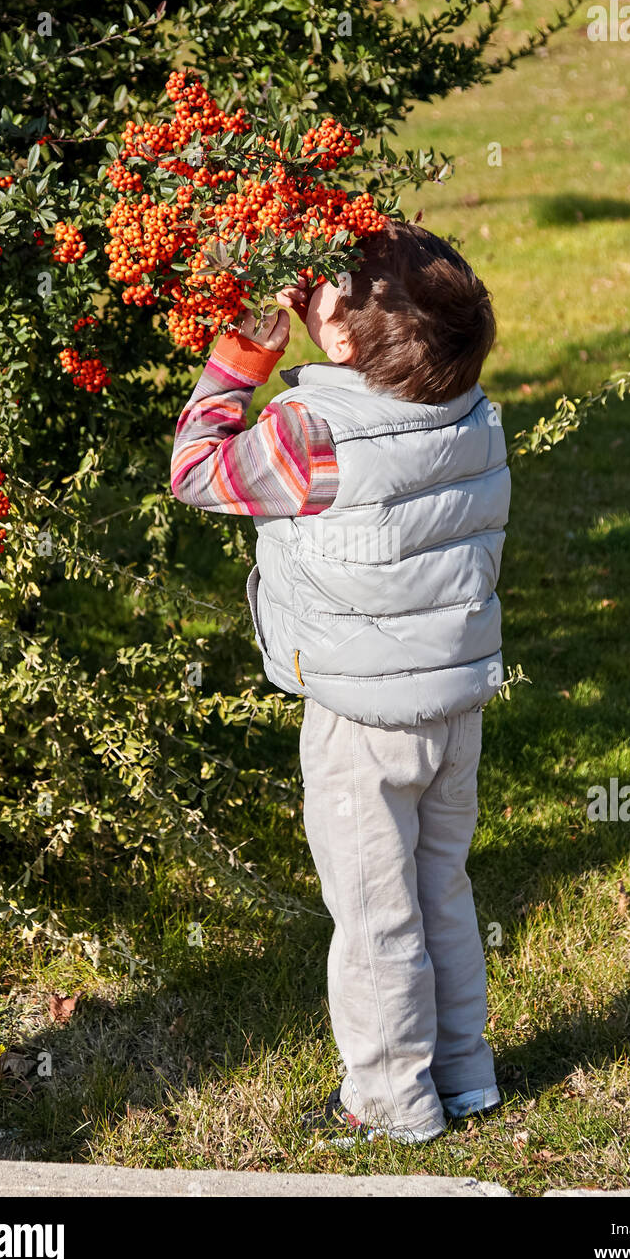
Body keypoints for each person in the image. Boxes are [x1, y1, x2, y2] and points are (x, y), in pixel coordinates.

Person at [171, 219, 510, 1145]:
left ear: (348, 340)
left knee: (373, 913)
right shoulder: (472, 410)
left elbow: (195, 472)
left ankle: (389, 1101)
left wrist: (239, 358)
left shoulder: (309, 435)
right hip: (453, 704)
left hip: (358, 719)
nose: (311, 278)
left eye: (335, 282)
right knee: (440, 887)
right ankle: (463, 1071)